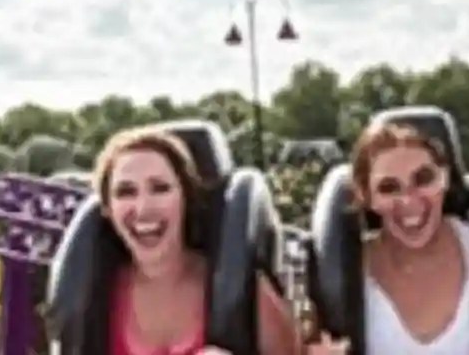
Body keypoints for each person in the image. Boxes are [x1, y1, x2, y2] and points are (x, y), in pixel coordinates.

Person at [308, 121, 469, 355]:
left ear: (445, 177)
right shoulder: (341, 276)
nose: (409, 201)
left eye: (423, 179)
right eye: (389, 188)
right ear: (367, 197)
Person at [75, 127, 301, 355]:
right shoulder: (91, 294)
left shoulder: (239, 284)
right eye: (126, 192)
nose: (143, 208)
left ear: (185, 197)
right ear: (107, 208)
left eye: (160, 188)